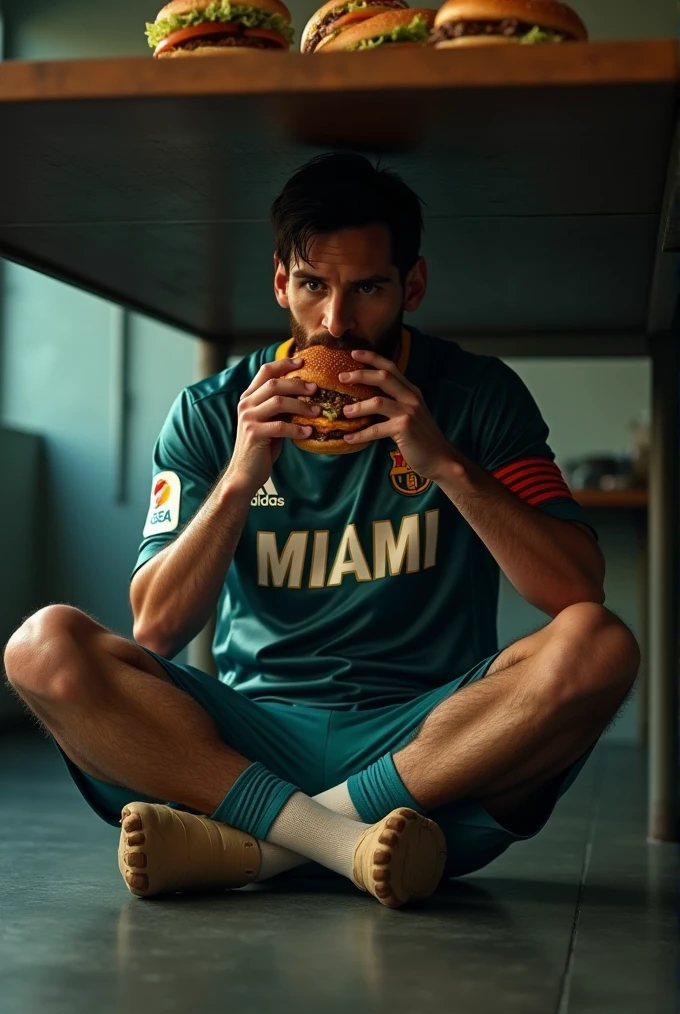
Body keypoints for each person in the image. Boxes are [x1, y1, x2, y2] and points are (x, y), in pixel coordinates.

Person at [3, 153, 639, 909]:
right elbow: (159, 626)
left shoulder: (477, 397)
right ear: (281, 283)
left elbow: (575, 589)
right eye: (312, 286)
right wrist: (241, 476)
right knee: (40, 647)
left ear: (413, 285)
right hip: (244, 745)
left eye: (368, 288)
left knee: (601, 643)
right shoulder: (213, 411)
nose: (336, 322)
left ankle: (261, 849)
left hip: (432, 747)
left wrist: (446, 464)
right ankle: (340, 843)